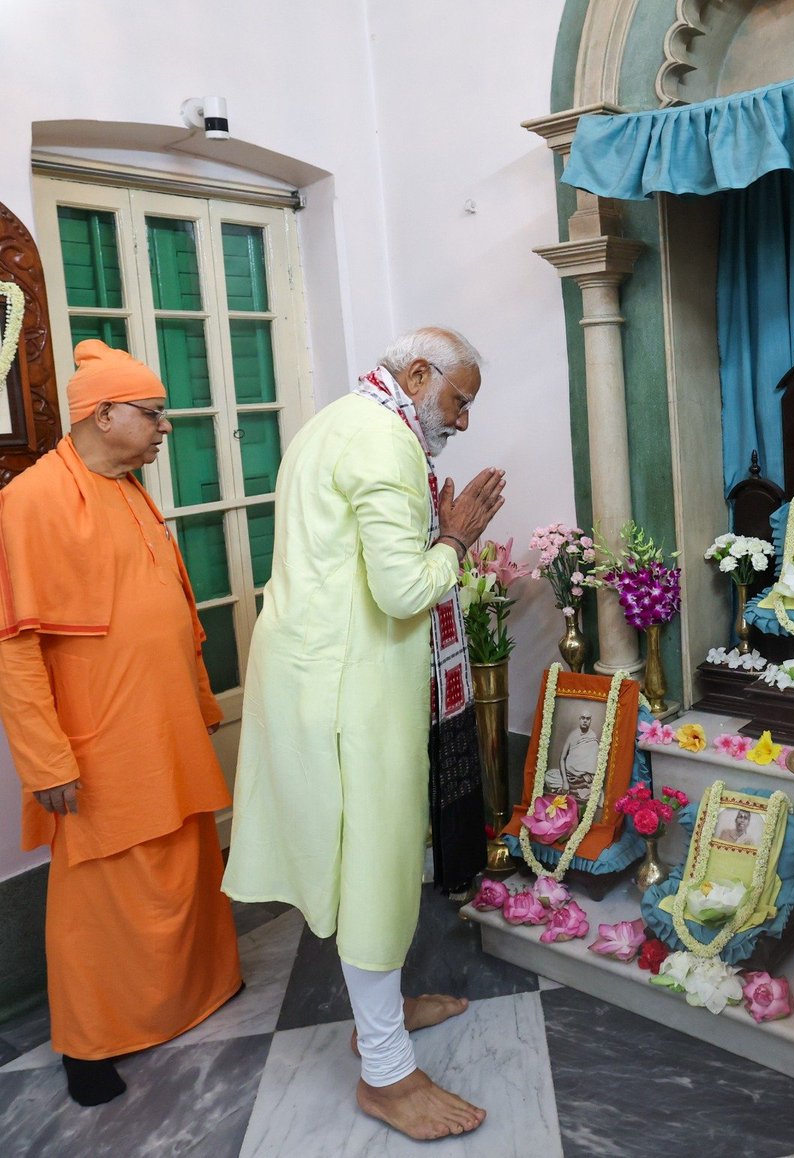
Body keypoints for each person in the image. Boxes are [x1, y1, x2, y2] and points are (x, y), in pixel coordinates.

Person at [222, 326, 505, 1141]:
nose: (461, 419)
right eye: (457, 399)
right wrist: (456, 538)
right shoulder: (385, 444)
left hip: (319, 673)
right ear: (417, 374)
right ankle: (385, 1072)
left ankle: (384, 1010)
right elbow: (403, 590)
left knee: (367, 860)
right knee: (375, 866)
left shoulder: (336, 420)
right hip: (352, 689)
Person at [0, 341, 241, 1106]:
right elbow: (14, 649)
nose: (165, 427)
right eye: (153, 412)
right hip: (98, 740)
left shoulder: (129, 488)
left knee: (185, 864)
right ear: (104, 415)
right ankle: (88, 1043)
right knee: (97, 897)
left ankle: (194, 991)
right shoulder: (32, 501)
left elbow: (168, 608)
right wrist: (47, 763)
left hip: (163, 721)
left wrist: (199, 703)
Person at [556, 711, 600, 801]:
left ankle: (571, 790)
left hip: (583, 780)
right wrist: (564, 781)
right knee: (549, 776)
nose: (585, 721)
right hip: (568, 776)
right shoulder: (573, 735)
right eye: (583, 718)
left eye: (588, 719)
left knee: (597, 792)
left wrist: (588, 775)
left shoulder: (593, 738)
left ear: (590, 721)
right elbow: (562, 758)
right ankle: (572, 789)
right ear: (579, 719)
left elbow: (594, 764)